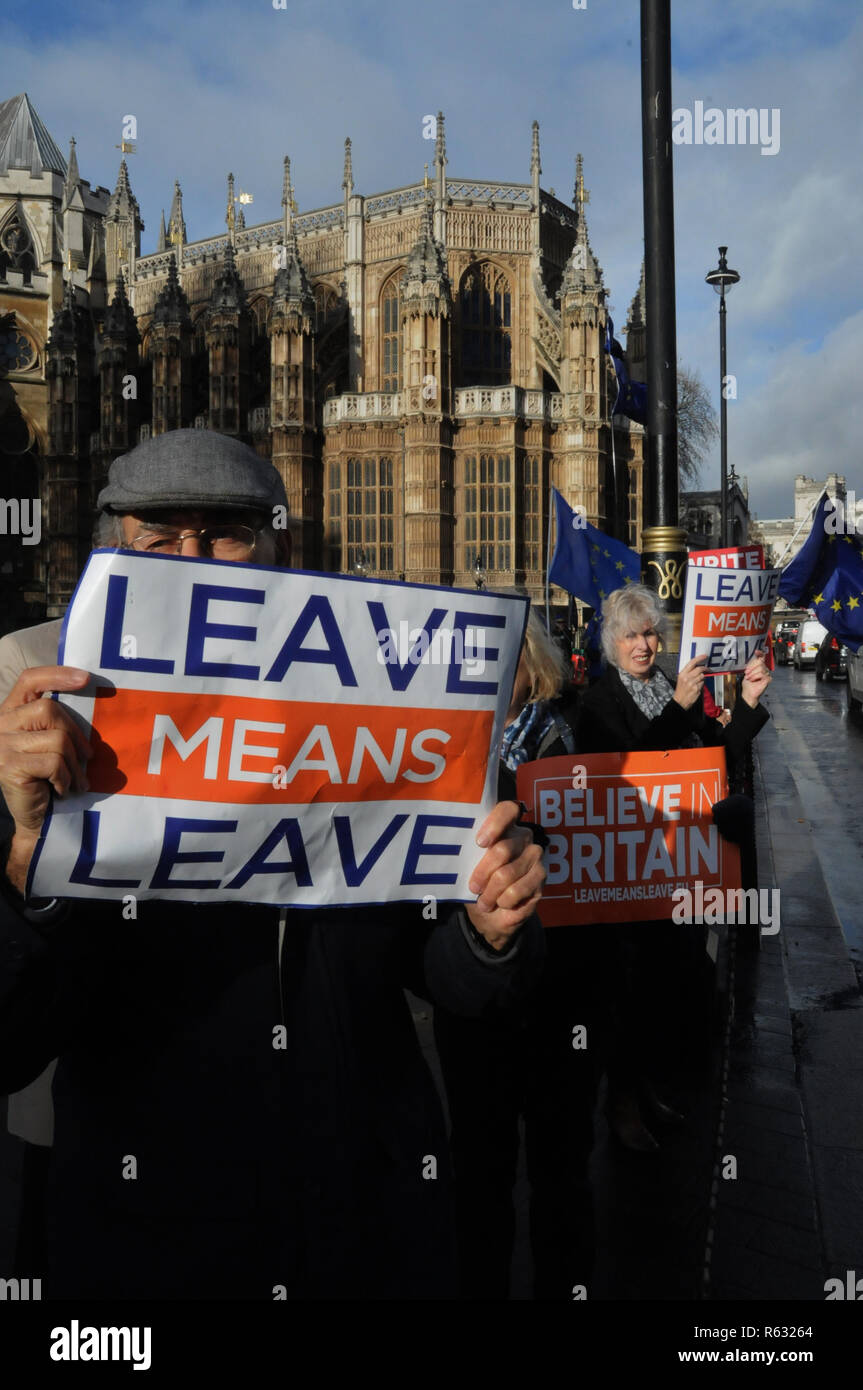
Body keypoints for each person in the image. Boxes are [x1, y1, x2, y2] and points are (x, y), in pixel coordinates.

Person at [0, 429, 546, 1300]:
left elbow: (459, 980)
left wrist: (489, 931)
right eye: (158, 536)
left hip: (362, 1215)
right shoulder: (48, 734)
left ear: (278, 546)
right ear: (111, 550)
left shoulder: (395, 699)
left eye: (225, 530)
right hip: (154, 1236)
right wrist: (30, 863)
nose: (193, 558)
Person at [433, 611, 607, 1300]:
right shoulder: (441, 757)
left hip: (566, 992)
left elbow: (640, 825)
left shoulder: (575, 738)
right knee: (479, 1171)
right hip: (479, 1000)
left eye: (499, 667)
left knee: (564, 1170)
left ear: (529, 671)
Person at [575, 583, 771, 1149]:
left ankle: (648, 1088)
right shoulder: (598, 703)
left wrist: (750, 702)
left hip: (679, 868)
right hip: (628, 873)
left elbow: (716, 755)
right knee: (629, 992)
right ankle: (623, 1103)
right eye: (634, 635)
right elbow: (625, 771)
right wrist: (680, 709)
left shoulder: (664, 684)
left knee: (668, 985)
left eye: (651, 633)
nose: (645, 644)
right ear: (612, 643)